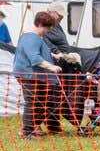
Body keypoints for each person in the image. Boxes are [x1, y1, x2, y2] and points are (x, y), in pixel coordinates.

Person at [11, 11, 63, 140]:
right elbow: (34, 58)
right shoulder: (31, 37)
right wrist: (52, 67)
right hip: (29, 76)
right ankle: (27, 132)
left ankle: (32, 128)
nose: (48, 30)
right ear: (39, 24)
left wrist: (54, 56)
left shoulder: (37, 37)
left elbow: (41, 52)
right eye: (47, 28)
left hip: (36, 76)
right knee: (33, 103)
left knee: (41, 102)